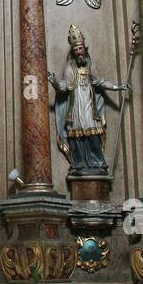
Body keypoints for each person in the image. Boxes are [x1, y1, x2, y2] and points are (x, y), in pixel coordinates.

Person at [48, 25, 130, 174]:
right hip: (75, 106)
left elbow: (100, 82)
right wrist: (54, 82)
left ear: (84, 50)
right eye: (76, 50)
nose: (79, 52)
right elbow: (64, 86)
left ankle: (98, 162)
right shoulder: (69, 68)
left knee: (93, 133)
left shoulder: (91, 65)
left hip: (89, 104)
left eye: (81, 49)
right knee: (77, 134)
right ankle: (78, 163)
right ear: (73, 53)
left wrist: (117, 87)